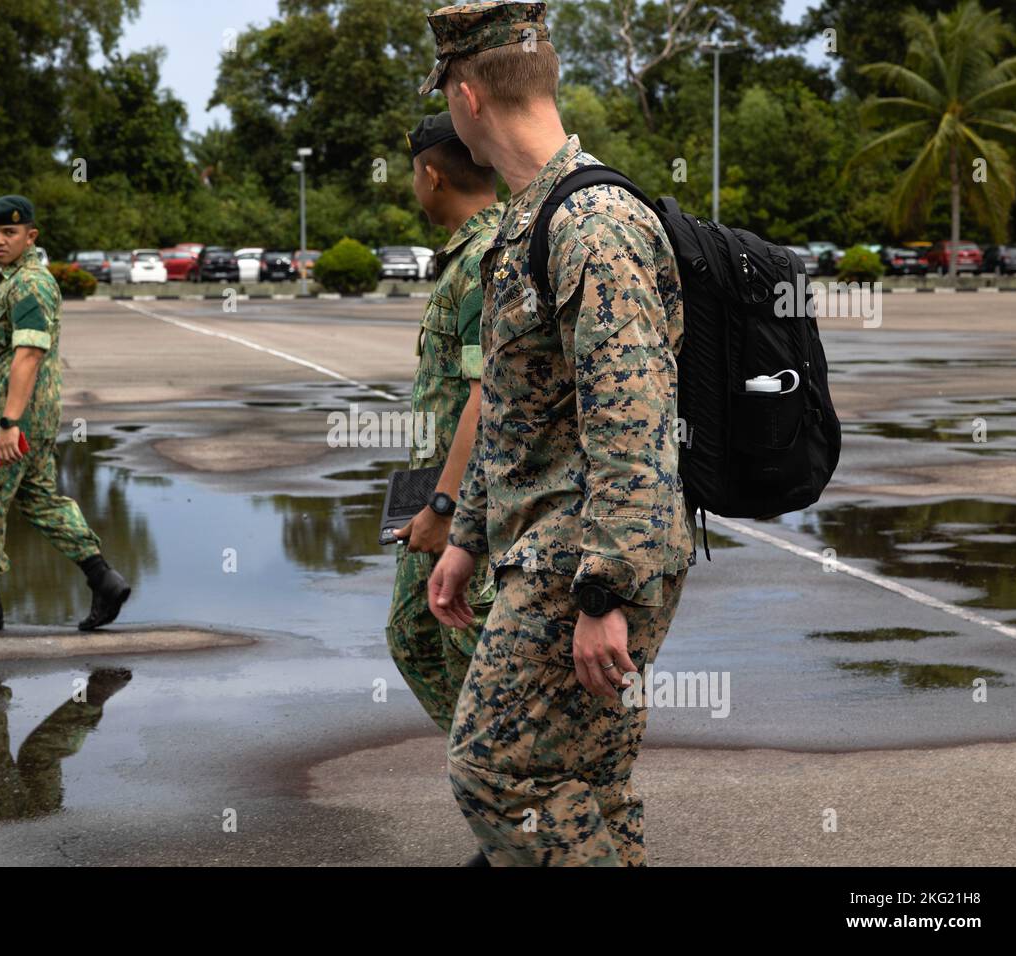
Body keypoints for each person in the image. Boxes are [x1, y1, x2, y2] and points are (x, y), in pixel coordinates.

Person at [421, 1, 695, 866]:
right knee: (592, 779)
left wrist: (603, 595)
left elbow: (634, 423)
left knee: (496, 773)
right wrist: (466, 534)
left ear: (467, 96)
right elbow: (516, 408)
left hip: (581, 560)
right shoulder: (531, 217)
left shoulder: (589, 223)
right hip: (548, 549)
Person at [0, 194, 131, 632]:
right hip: (30, 419)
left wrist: (6, 423)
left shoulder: (29, 284)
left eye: (9, 233)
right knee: (39, 498)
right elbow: (12, 359)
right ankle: (103, 579)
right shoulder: (18, 278)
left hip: (16, 420)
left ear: (30, 236)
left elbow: (28, 355)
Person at [386, 113, 504, 733]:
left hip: (466, 497)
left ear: (431, 175)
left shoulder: (486, 258)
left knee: (464, 641)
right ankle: (491, 774)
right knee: (412, 635)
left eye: (413, 173)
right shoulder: (463, 258)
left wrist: (445, 503)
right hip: (435, 483)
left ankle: (511, 784)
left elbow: (490, 397)